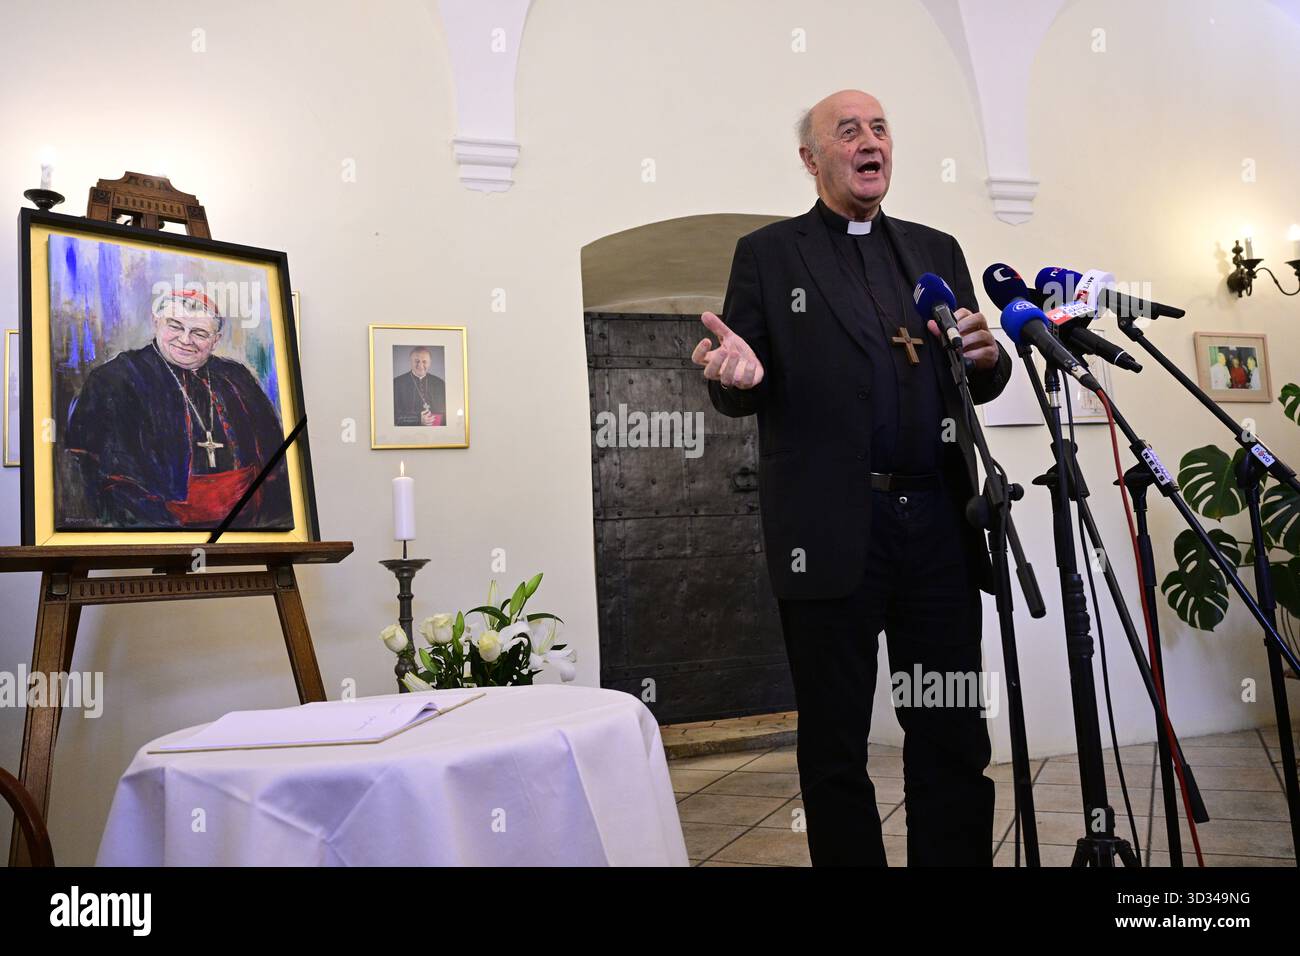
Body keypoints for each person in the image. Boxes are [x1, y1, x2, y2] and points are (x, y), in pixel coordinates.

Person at [690, 90, 1012, 867]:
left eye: (880, 128)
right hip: (833, 533)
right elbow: (739, 378)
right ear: (812, 159)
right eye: (848, 131)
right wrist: (735, 375)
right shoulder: (769, 255)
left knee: (951, 727)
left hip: (937, 523)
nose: (870, 142)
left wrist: (989, 357)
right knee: (836, 744)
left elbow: (975, 375)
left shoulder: (935, 251)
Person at [62, 288, 292, 529]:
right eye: (175, 326)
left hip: (249, 521)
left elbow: (275, 452)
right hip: (156, 522)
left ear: (216, 340)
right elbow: (88, 467)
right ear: (156, 323)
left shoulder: (236, 377)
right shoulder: (115, 379)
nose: (185, 340)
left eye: (199, 333)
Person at [393, 346, 446, 426]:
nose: (420, 365)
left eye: (424, 362)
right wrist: (417, 419)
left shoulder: (440, 383)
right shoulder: (397, 383)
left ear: (430, 362)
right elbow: (394, 416)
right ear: (410, 362)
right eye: (416, 361)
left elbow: (447, 414)